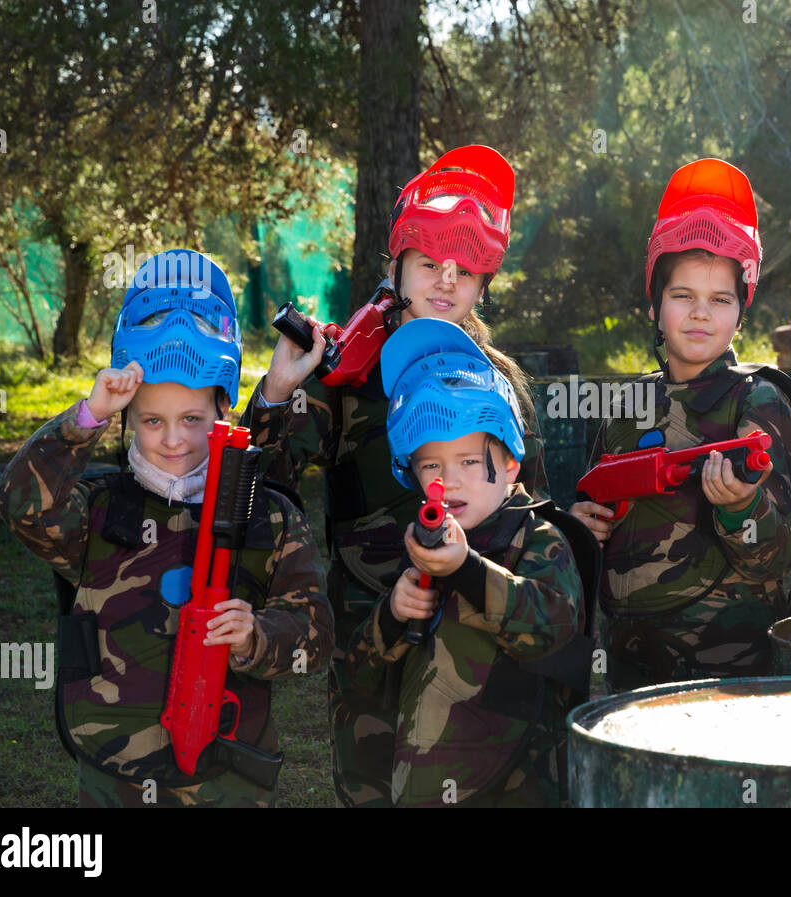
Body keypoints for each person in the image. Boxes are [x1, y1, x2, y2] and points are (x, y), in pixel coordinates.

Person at [241, 145, 549, 806]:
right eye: (429, 262)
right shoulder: (344, 376)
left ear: (483, 283)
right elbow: (260, 483)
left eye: (465, 270)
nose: (445, 281)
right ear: (397, 267)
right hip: (371, 635)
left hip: (477, 635)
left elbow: (529, 505)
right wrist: (275, 391)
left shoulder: (498, 378)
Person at [0, 249, 332, 807]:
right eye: (152, 420)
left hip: (227, 780)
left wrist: (255, 636)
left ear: (222, 412)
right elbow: (18, 505)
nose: (173, 439)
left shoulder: (265, 516)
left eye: (193, 420)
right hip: (112, 779)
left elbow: (314, 636)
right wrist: (86, 418)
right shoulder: (98, 511)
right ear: (128, 418)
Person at [570, 158, 791, 691]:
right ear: (655, 307)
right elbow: (598, 506)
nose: (701, 314)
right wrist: (584, 527)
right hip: (631, 664)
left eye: (720, 300)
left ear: (739, 315)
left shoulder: (759, 403)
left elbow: (779, 558)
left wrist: (741, 505)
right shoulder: (628, 405)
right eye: (683, 297)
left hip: (731, 668)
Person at [344, 318, 590, 806]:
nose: (448, 481)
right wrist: (394, 613)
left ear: (510, 464)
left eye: (469, 462)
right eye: (431, 465)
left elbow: (551, 629)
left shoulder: (539, 538)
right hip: (420, 782)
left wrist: (465, 570)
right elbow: (360, 676)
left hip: (516, 783)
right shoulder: (422, 543)